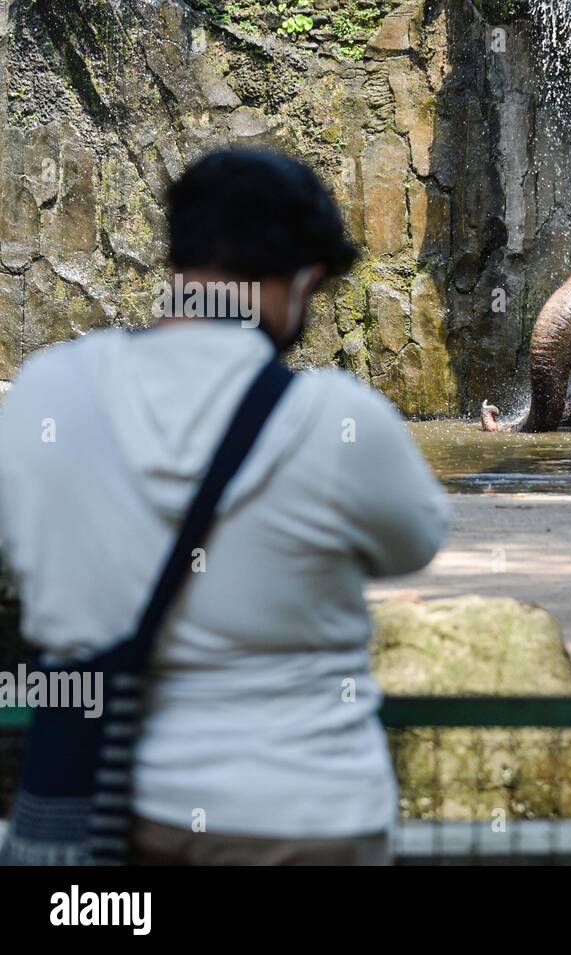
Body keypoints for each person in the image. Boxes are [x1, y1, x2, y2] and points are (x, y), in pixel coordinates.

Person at [0, 149, 452, 865]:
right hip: (300, 816)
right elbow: (415, 541)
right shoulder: (334, 417)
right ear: (303, 281)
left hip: (97, 808)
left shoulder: (46, 391)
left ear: (174, 257)